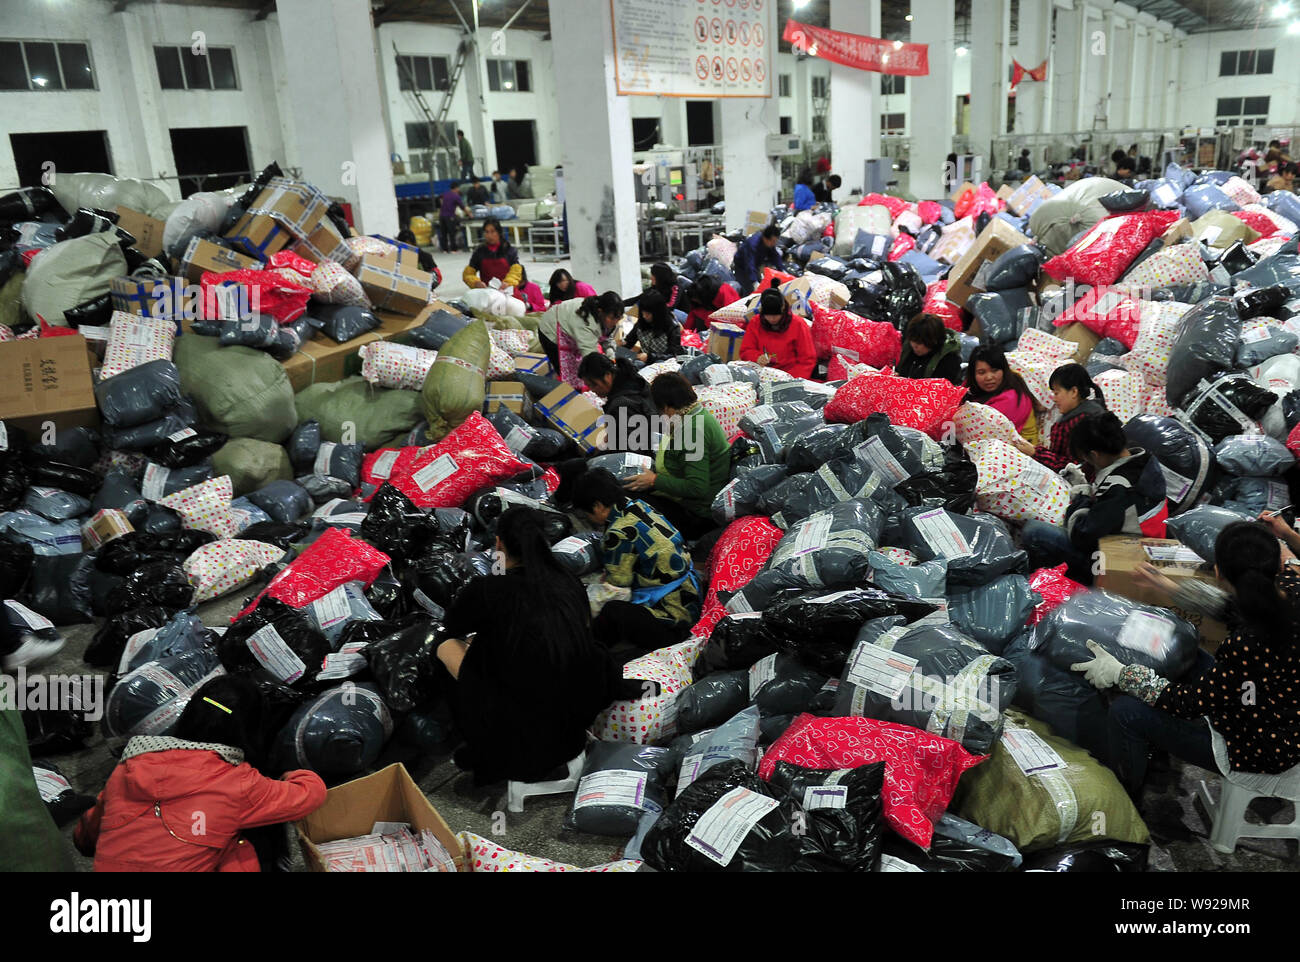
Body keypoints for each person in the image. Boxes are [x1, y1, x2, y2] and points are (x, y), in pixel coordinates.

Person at [1072, 520, 1300, 797]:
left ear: (1217, 572)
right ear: (1277, 566)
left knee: (1126, 712)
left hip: (1261, 749)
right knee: (1187, 653)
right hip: (1279, 708)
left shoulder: (1247, 645)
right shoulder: (1292, 586)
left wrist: (1122, 673)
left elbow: (1187, 703)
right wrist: (1167, 587)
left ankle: (1123, 795)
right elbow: (1239, 609)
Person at [436, 507, 630, 785]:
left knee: (444, 645)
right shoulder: (569, 581)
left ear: (499, 543)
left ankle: (477, 740)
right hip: (570, 733)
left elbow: (452, 626)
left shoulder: (486, 590)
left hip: (517, 748)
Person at [74, 676, 326, 872]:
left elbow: (85, 837)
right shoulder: (238, 783)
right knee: (254, 832)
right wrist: (288, 774)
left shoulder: (129, 766)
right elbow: (310, 794)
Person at [1020, 412, 1169, 584]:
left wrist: (1080, 495)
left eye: (1086, 459)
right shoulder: (1143, 458)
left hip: (1123, 565)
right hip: (1144, 546)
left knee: (1034, 531)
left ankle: (1053, 585)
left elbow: (1082, 536)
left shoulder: (1120, 488)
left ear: (1095, 455)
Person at [572, 468, 702, 660]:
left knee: (611, 613)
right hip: (691, 597)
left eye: (586, 514)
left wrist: (580, 609)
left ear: (598, 506)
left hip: (673, 621)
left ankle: (581, 654)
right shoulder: (640, 506)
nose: (588, 520)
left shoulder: (617, 533)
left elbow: (617, 589)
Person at [622, 372, 730, 540]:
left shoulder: (693, 430)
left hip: (698, 514)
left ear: (666, 407)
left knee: (629, 501)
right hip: (692, 503)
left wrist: (653, 480)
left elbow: (697, 488)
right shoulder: (695, 414)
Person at [1013, 363, 1108, 477]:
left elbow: (1074, 468)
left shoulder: (1082, 424)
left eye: (1056, 393)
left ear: (1074, 392)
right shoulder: (1092, 411)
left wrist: (1035, 453)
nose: (1054, 398)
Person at [578, 353, 659, 456]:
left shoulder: (621, 404)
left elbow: (629, 450)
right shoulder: (634, 380)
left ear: (607, 375)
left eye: (594, 385)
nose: (593, 390)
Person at [541, 290, 625, 389]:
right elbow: (591, 358)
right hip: (551, 330)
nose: (615, 322)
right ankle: (568, 398)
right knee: (569, 375)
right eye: (612, 318)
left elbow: (607, 336)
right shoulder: (586, 324)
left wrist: (611, 357)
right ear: (600, 311)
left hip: (569, 324)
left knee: (580, 371)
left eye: (618, 318)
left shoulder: (607, 315)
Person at [739, 280, 816, 379]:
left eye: (775, 316)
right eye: (768, 316)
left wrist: (791, 380)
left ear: (783, 310)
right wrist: (757, 357)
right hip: (762, 373)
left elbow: (807, 360)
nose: (771, 319)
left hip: (790, 375)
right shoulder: (755, 322)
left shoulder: (798, 325)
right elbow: (745, 350)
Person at [964, 344, 1039, 443]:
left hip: (1018, 453)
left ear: (1004, 370)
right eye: (982, 372)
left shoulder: (1011, 398)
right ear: (973, 375)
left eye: (994, 371)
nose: (989, 377)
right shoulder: (972, 388)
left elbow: (978, 432)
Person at [462, 218, 530, 304]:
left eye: (492, 231)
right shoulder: (479, 252)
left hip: (508, 293)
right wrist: (476, 283)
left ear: (499, 233)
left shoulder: (509, 250)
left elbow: (516, 272)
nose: (489, 235)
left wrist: (508, 283)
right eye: (486, 232)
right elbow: (468, 274)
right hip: (488, 295)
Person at [897, 313, 963, 385]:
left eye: (919, 343)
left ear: (933, 341)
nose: (914, 346)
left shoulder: (949, 360)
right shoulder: (907, 347)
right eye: (912, 340)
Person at [625, 289, 683, 364]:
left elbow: (673, 354)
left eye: (648, 314)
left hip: (664, 364)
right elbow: (629, 342)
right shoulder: (641, 323)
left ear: (657, 313)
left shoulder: (671, 327)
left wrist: (650, 357)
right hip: (644, 362)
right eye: (642, 313)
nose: (644, 316)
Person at [731, 224, 784, 296]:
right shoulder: (752, 244)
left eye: (775, 241)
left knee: (761, 289)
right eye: (773, 241)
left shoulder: (769, 243)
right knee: (749, 292)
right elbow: (749, 264)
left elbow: (775, 256)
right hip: (742, 267)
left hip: (755, 267)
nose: (774, 244)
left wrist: (782, 271)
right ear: (765, 238)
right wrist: (754, 281)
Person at [438, 182, 469, 254]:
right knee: (452, 233)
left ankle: (444, 250)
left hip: (441, 216)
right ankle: (453, 250)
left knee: (444, 233)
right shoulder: (456, 196)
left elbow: (440, 199)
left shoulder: (445, 194)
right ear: (456, 188)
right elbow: (462, 207)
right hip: (449, 216)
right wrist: (469, 214)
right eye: (458, 188)